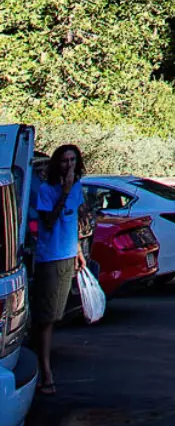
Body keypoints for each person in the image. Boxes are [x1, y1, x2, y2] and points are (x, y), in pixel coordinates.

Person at [31, 144, 87, 392]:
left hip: (66, 254)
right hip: (50, 257)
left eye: (73, 160)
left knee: (56, 315)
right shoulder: (46, 190)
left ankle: (44, 367)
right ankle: (45, 372)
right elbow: (49, 222)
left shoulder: (77, 187)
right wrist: (63, 191)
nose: (69, 165)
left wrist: (78, 251)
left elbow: (73, 219)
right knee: (45, 317)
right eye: (64, 160)